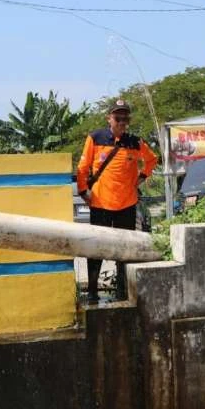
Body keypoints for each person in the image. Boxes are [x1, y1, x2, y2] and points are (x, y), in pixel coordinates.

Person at [76, 99, 157, 302]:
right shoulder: (95, 138)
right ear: (109, 118)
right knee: (96, 249)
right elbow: (83, 167)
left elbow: (152, 159)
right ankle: (93, 292)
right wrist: (83, 191)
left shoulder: (134, 142)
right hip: (100, 204)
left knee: (125, 250)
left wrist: (142, 177)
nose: (122, 121)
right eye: (117, 117)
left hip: (126, 206)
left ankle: (123, 290)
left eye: (125, 118)